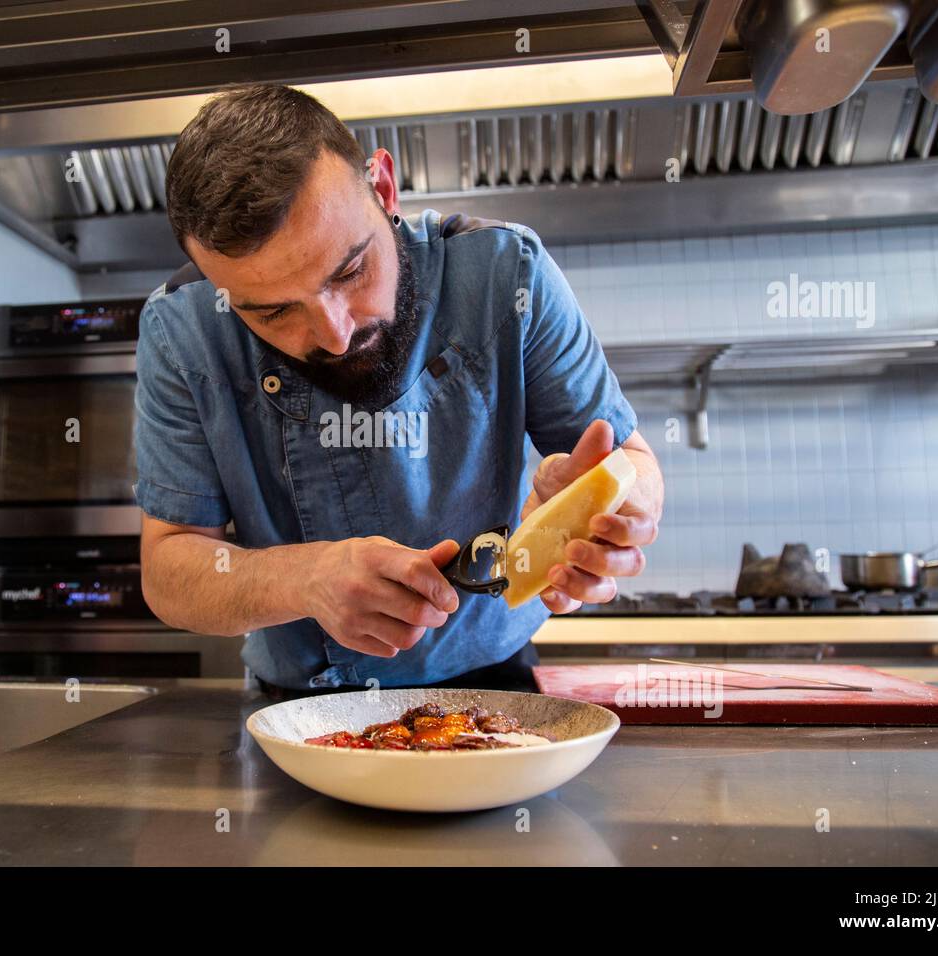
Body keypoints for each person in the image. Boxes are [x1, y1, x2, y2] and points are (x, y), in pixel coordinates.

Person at [133, 83, 664, 696]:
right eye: (274, 313)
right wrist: (306, 579)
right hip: (294, 705)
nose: (334, 334)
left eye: (350, 271)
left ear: (383, 188)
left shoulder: (506, 274)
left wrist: (615, 509)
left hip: (491, 682)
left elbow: (635, 464)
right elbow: (169, 568)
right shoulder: (182, 330)